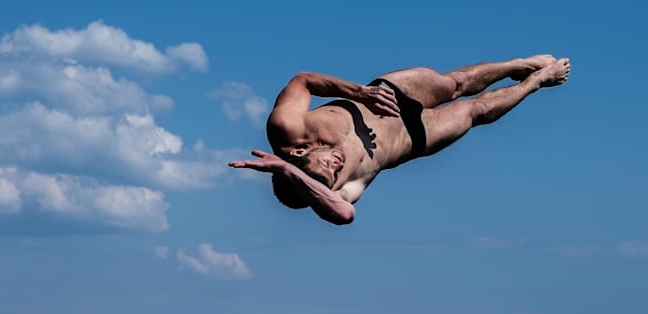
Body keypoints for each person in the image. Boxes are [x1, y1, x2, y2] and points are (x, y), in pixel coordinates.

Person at [228, 55, 570, 225]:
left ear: (300, 151)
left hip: (385, 96)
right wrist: (292, 175)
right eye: (332, 175)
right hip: (412, 137)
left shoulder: (285, 129)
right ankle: (536, 82)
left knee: (454, 85)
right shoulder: (337, 191)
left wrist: (360, 92)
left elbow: (302, 81)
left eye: (324, 164)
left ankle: (516, 66)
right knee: (474, 111)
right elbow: (344, 215)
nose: (336, 165)